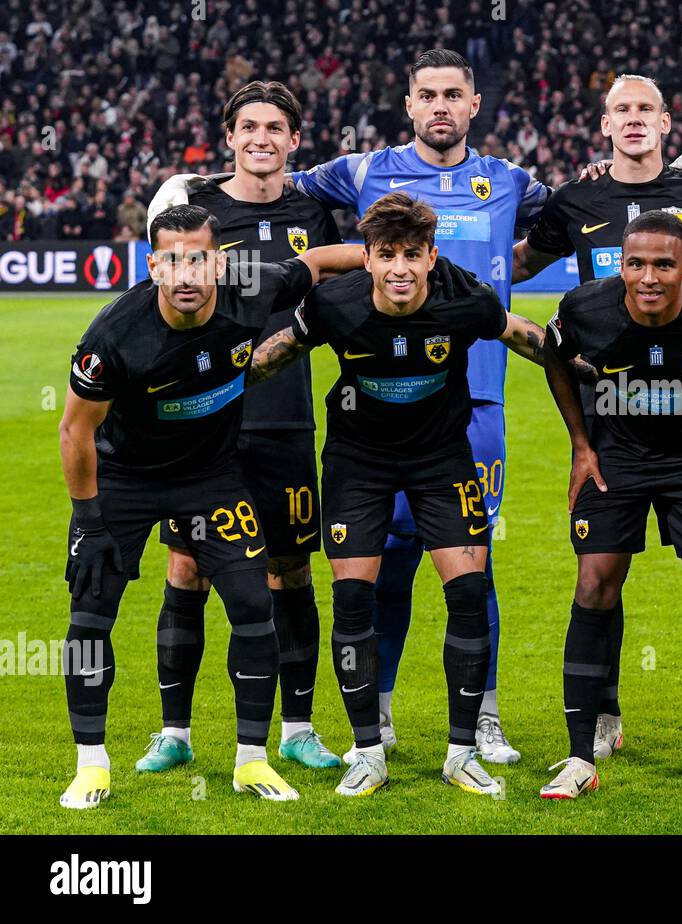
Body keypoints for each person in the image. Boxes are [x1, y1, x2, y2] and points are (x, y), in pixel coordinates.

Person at [290, 49, 549, 765]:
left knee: (474, 563)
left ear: (474, 106)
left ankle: (485, 717)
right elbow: (275, 185)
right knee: (392, 558)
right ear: (409, 105)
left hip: (475, 401)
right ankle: (377, 712)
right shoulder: (361, 171)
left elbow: (580, 218)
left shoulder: (512, 182)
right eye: (427, 95)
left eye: (453, 94)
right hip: (380, 407)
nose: (440, 106)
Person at [57, 203, 363, 808]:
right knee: (91, 613)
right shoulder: (114, 336)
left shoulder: (254, 290)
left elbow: (318, 260)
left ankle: (252, 762)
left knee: (254, 602)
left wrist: (390, 258)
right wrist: (89, 521)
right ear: (154, 266)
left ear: (219, 262)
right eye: (172, 260)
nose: (187, 273)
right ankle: (90, 765)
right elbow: (74, 431)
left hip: (210, 476)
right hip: (126, 477)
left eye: (198, 258)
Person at [248, 193, 547, 797]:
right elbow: (270, 357)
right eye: (387, 256)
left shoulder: (466, 302)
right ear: (368, 259)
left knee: (467, 594)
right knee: (354, 601)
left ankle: (461, 753)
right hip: (359, 465)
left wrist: (591, 362)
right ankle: (367, 753)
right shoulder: (334, 304)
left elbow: (525, 337)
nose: (400, 268)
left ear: (431, 257)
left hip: (442, 461)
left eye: (413, 254)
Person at [512, 73, 682, 759]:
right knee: (600, 572)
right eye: (622, 108)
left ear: (667, 121)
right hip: (606, 413)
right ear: (605, 122)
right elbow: (524, 264)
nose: (634, 118)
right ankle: (604, 712)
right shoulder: (578, 197)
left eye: (646, 107)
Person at [537, 210, 682, 799]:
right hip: (616, 460)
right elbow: (554, 360)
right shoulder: (585, 308)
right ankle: (579, 753)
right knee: (595, 583)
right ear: (621, 265)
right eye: (636, 264)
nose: (648, 276)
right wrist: (580, 444)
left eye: (663, 265)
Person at [140, 80, 344, 776]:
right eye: (248, 126)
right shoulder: (194, 209)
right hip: (203, 424)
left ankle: (299, 728)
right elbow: (155, 301)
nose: (261, 138)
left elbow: (334, 298)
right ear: (229, 136)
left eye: (275, 128)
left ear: (293, 140)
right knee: (188, 567)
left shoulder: (314, 213)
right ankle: (175, 732)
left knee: (290, 572)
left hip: (285, 420)